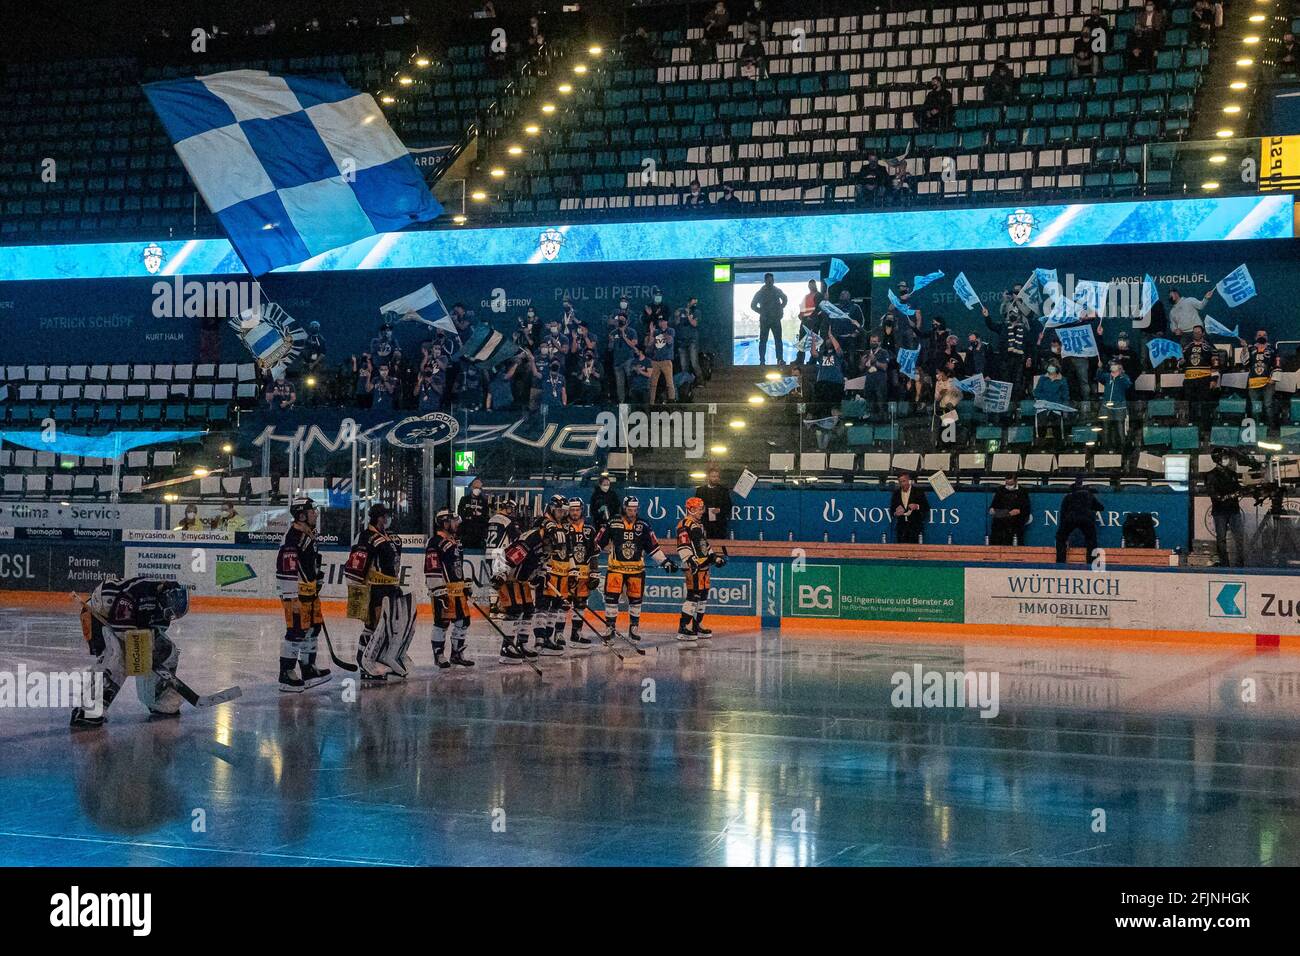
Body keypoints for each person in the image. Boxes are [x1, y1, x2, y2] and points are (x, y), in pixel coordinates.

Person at [70, 576, 192, 728]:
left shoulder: (163, 611)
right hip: (98, 615)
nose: (170, 616)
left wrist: (149, 651)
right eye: (170, 611)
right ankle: (88, 709)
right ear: (164, 598)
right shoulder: (138, 592)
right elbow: (122, 629)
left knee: (168, 653)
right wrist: (142, 649)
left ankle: (158, 698)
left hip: (125, 621)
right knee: (118, 656)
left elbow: (150, 635)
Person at [343, 504, 412, 681]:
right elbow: (356, 566)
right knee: (374, 625)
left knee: (389, 626)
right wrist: (358, 591)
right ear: (377, 518)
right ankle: (364, 660)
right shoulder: (366, 537)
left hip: (391, 587)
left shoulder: (389, 537)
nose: (387, 519)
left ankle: (382, 658)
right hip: (376, 589)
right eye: (384, 516)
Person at [594, 496, 677, 643]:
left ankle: (634, 628)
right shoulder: (613, 522)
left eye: (635, 510)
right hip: (616, 569)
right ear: (624, 508)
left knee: (636, 601)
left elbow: (653, 547)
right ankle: (610, 628)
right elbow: (598, 543)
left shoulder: (643, 525)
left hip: (636, 571)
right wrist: (591, 554)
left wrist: (665, 562)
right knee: (611, 600)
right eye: (629, 509)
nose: (632, 513)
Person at [275, 497, 331, 692]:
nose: (315, 513)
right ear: (301, 515)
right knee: (296, 632)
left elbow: (309, 563)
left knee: (313, 629)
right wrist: (291, 596)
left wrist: (317, 578)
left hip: (310, 592)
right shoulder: (293, 537)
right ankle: (286, 673)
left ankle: (308, 668)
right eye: (311, 511)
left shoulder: (309, 534)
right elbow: (286, 568)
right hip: (296, 594)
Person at [489, 508, 546, 663]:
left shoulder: (544, 543)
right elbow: (508, 557)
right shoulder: (529, 540)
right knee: (514, 610)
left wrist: (538, 575)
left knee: (529, 609)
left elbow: (540, 563)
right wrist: (500, 574)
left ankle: (522, 643)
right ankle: (507, 647)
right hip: (508, 576)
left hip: (521, 579)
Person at [424, 509, 475, 669]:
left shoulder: (454, 541)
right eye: (453, 521)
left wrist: (464, 583)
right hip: (444, 590)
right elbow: (432, 567)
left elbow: (456, 566)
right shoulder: (435, 542)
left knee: (463, 621)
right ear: (445, 523)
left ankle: (457, 654)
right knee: (442, 622)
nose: (456, 524)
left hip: (458, 591)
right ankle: (439, 655)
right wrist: (438, 589)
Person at [676, 496, 725, 640]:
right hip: (694, 568)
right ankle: (683, 627)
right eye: (699, 509)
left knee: (703, 597)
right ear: (690, 510)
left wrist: (714, 557)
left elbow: (704, 545)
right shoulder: (684, 524)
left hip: (704, 567)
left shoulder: (699, 525)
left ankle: (696, 625)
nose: (702, 512)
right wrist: (690, 560)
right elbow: (683, 545)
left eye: (702, 509)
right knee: (693, 596)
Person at [532, 494, 571, 656]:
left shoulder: (564, 525)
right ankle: (539, 640)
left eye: (564, 511)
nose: (562, 513)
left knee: (555, 606)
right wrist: (539, 568)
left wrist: (573, 570)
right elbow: (535, 546)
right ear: (552, 508)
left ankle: (548, 638)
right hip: (544, 570)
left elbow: (567, 549)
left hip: (560, 572)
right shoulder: (542, 522)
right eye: (559, 510)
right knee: (542, 605)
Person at [564, 498, 601, 646]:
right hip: (565, 572)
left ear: (581, 510)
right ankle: (557, 635)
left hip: (584, 573)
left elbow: (594, 553)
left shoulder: (589, 529)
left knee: (580, 604)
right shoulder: (563, 527)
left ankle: (576, 634)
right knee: (562, 605)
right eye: (572, 510)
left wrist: (594, 572)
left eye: (577, 510)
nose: (574, 513)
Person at [1205, 448, 1246, 566]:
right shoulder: (1211, 475)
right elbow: (1214, 494)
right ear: (1218, 459)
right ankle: (1224, 563)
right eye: (1224, 458)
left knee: (1239, 537)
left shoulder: (1232, 473)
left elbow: (1238, 488)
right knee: (1221, 539)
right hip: (1220, 511)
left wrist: (1241, 491)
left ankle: (1240, 562)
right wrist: (1229, 495)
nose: (1227, 460)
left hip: (1233, 509)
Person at [1055, 478, 1102, 564]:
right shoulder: (1088, 495)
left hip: (1071, 518)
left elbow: (1063, 512)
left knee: (1060, 538)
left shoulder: (1068, 496)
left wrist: (1062, 527)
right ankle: (1091, 562)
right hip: (1086, 519)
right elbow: (1100, 507)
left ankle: (1060, 561)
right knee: (1091, 540)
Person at [1179, 325, 1218, 431]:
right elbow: (1181, 363)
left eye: (1198, 332)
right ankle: (1192, 427)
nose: (1196, 334)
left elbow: (1215, 364)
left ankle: (1205, 429)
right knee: (1190, 404)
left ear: (1203, 333)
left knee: (1205, 405)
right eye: (1194, 332)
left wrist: (1214, 380)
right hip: (1190, 380)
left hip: (1204, 379)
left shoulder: (1209, 347)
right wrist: (1181, 362)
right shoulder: (1187, 347)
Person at [751, 273, 789, 366]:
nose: (771, 282)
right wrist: (762, 312)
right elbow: (752, 305)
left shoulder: (777, 290)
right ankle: (762, 361)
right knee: (763, 340)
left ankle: (780, 359)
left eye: (772, 280)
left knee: (778, 340)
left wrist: (780, 308)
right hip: (765, 320)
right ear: (765, 281)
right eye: (769, 280)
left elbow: (785, 298)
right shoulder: (760, 292)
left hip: (776, 319)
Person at [1243, 329, 1279, 427]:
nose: (1261, 336)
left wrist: (1274, 378)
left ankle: (1271, 428)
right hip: (1253, 382)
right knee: (1256, 406)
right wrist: (1245, 348)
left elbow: (1277, 364)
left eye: (1264, 335)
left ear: (1267, 337)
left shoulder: (1272, 349)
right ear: (1255, 337)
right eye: (1259, 335)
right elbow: (1245, 363)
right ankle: (1257, 428)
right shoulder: (1251, 349)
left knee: (1268, 405)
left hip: (1268, 382)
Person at [1096, 359, 1133, 450]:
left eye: (1114, 364)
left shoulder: (1123, 377)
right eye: (1111, 364)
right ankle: (1106, 448)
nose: (1112, 366)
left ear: (1119, 366)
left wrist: (1121, 375)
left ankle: (1122, 449)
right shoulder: (1107, 376)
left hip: (1119, 406)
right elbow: (1098, 378)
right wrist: (1099, 368)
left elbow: (1128, 385)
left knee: (1120, 428)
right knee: (1106, 428)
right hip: (1106, 406)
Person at [695, 465, 733, 545]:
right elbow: (696, 506)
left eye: (717, 476)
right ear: (708, 477)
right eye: (713, 476)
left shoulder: (724, 491)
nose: (715, 478)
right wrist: (703, 510)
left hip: (719, 525)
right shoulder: (700, 491)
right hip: (704, 522)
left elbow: (729, 506)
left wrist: (720, 510)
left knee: (719, 546)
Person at [989, 474, 1030, 546]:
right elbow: (994, 504)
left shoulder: (1023, 492)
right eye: (1007, 484)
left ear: (1016, 481)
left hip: (1016, 517)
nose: (1008, 486)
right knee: (996, 526)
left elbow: (1026, 507)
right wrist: (992, 508)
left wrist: (1019, 511)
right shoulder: (1000, 490)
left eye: (1011, 484)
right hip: (1002, 515)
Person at [890, 472, 930, 544]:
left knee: (914, 551)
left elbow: (926, 508)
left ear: (908, 480)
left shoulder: (918, 492)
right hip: (901, 528)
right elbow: (892, 510)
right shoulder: (896, 493)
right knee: (901, 552)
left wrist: (917, 506)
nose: (902, 484)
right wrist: (896, 513)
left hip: (915, 528)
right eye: (900, 482)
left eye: (904, 481)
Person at [646, 314, 677, 404]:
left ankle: (672, 401)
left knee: (669, 383)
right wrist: (651, 332)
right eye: (660, 321)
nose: (662, 323)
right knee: (653, 383)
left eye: (663, 321)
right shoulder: (656, 332)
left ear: (666, 322)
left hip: (666, 361)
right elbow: (649, 344)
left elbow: (670, 340)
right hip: (655, 361)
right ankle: (651, 402)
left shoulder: (671, 330)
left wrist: (662, 333)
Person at [457, 477, 489, 549]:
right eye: (475, 487)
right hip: (466, 532)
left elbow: (486, 517)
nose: (477, 489)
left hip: (479, 534)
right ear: (471, 487)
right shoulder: (464, 500)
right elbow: (460, 514)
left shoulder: (484, 501)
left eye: (479, 488)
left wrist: (478, 516)